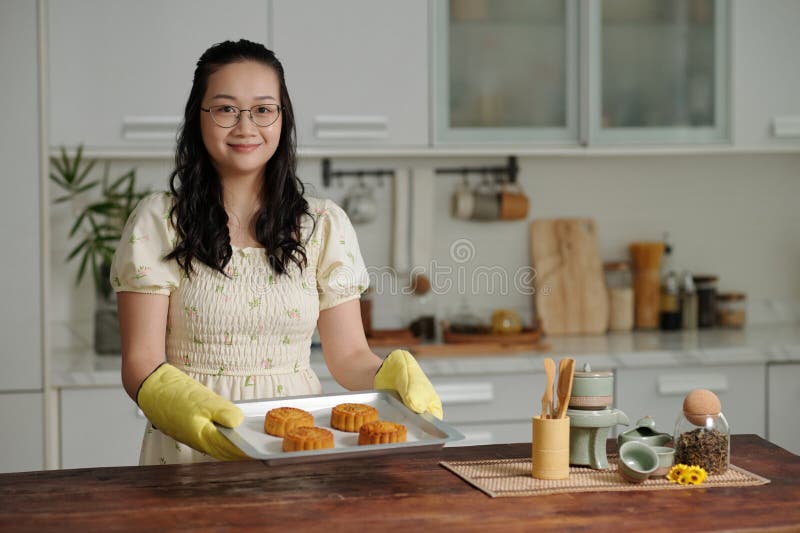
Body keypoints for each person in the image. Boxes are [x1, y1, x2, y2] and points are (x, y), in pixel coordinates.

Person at [111, 39, 442, 465]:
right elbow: (140, 361)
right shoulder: (158, 222)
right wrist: (178, 404)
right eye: (226, 109)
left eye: (264, 110)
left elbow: (348, 357)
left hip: (296, 445)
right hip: (188, 444)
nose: (246, 127)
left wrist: (389, 374)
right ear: (199, 118)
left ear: (283, 119)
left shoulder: (323, 226)